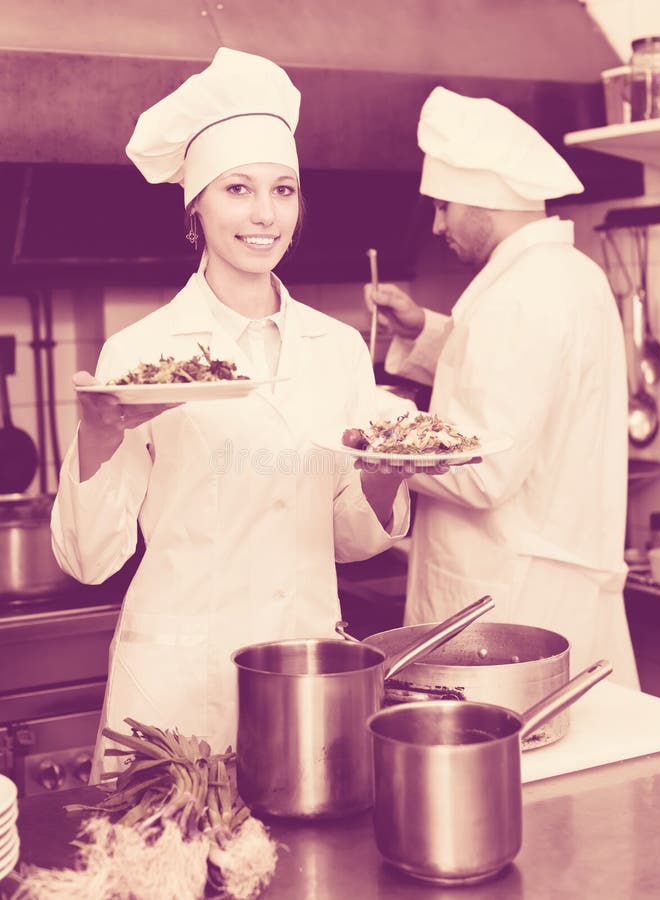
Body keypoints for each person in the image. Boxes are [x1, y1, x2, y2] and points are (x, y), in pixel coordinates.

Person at [51, 48, 422, 782]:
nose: (264, 214)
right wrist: (99, 436)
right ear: (196, 206)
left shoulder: (338, 348)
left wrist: (385, 476)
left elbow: (349, 541)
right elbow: (89, 561)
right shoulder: (142, 351)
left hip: (307, 675)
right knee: (169, 852)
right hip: (178, 689)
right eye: (238, 189)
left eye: (283, 189)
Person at [365, 86, 639, 688]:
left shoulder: (521, 296)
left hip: (509, 602)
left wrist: (371, 431)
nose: (438, 225)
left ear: (483, 199)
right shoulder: (568, 275)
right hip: (543, 576)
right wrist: (422, 330)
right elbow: (509, 385)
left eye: (443, 206)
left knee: (515, 746)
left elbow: (485, 470)